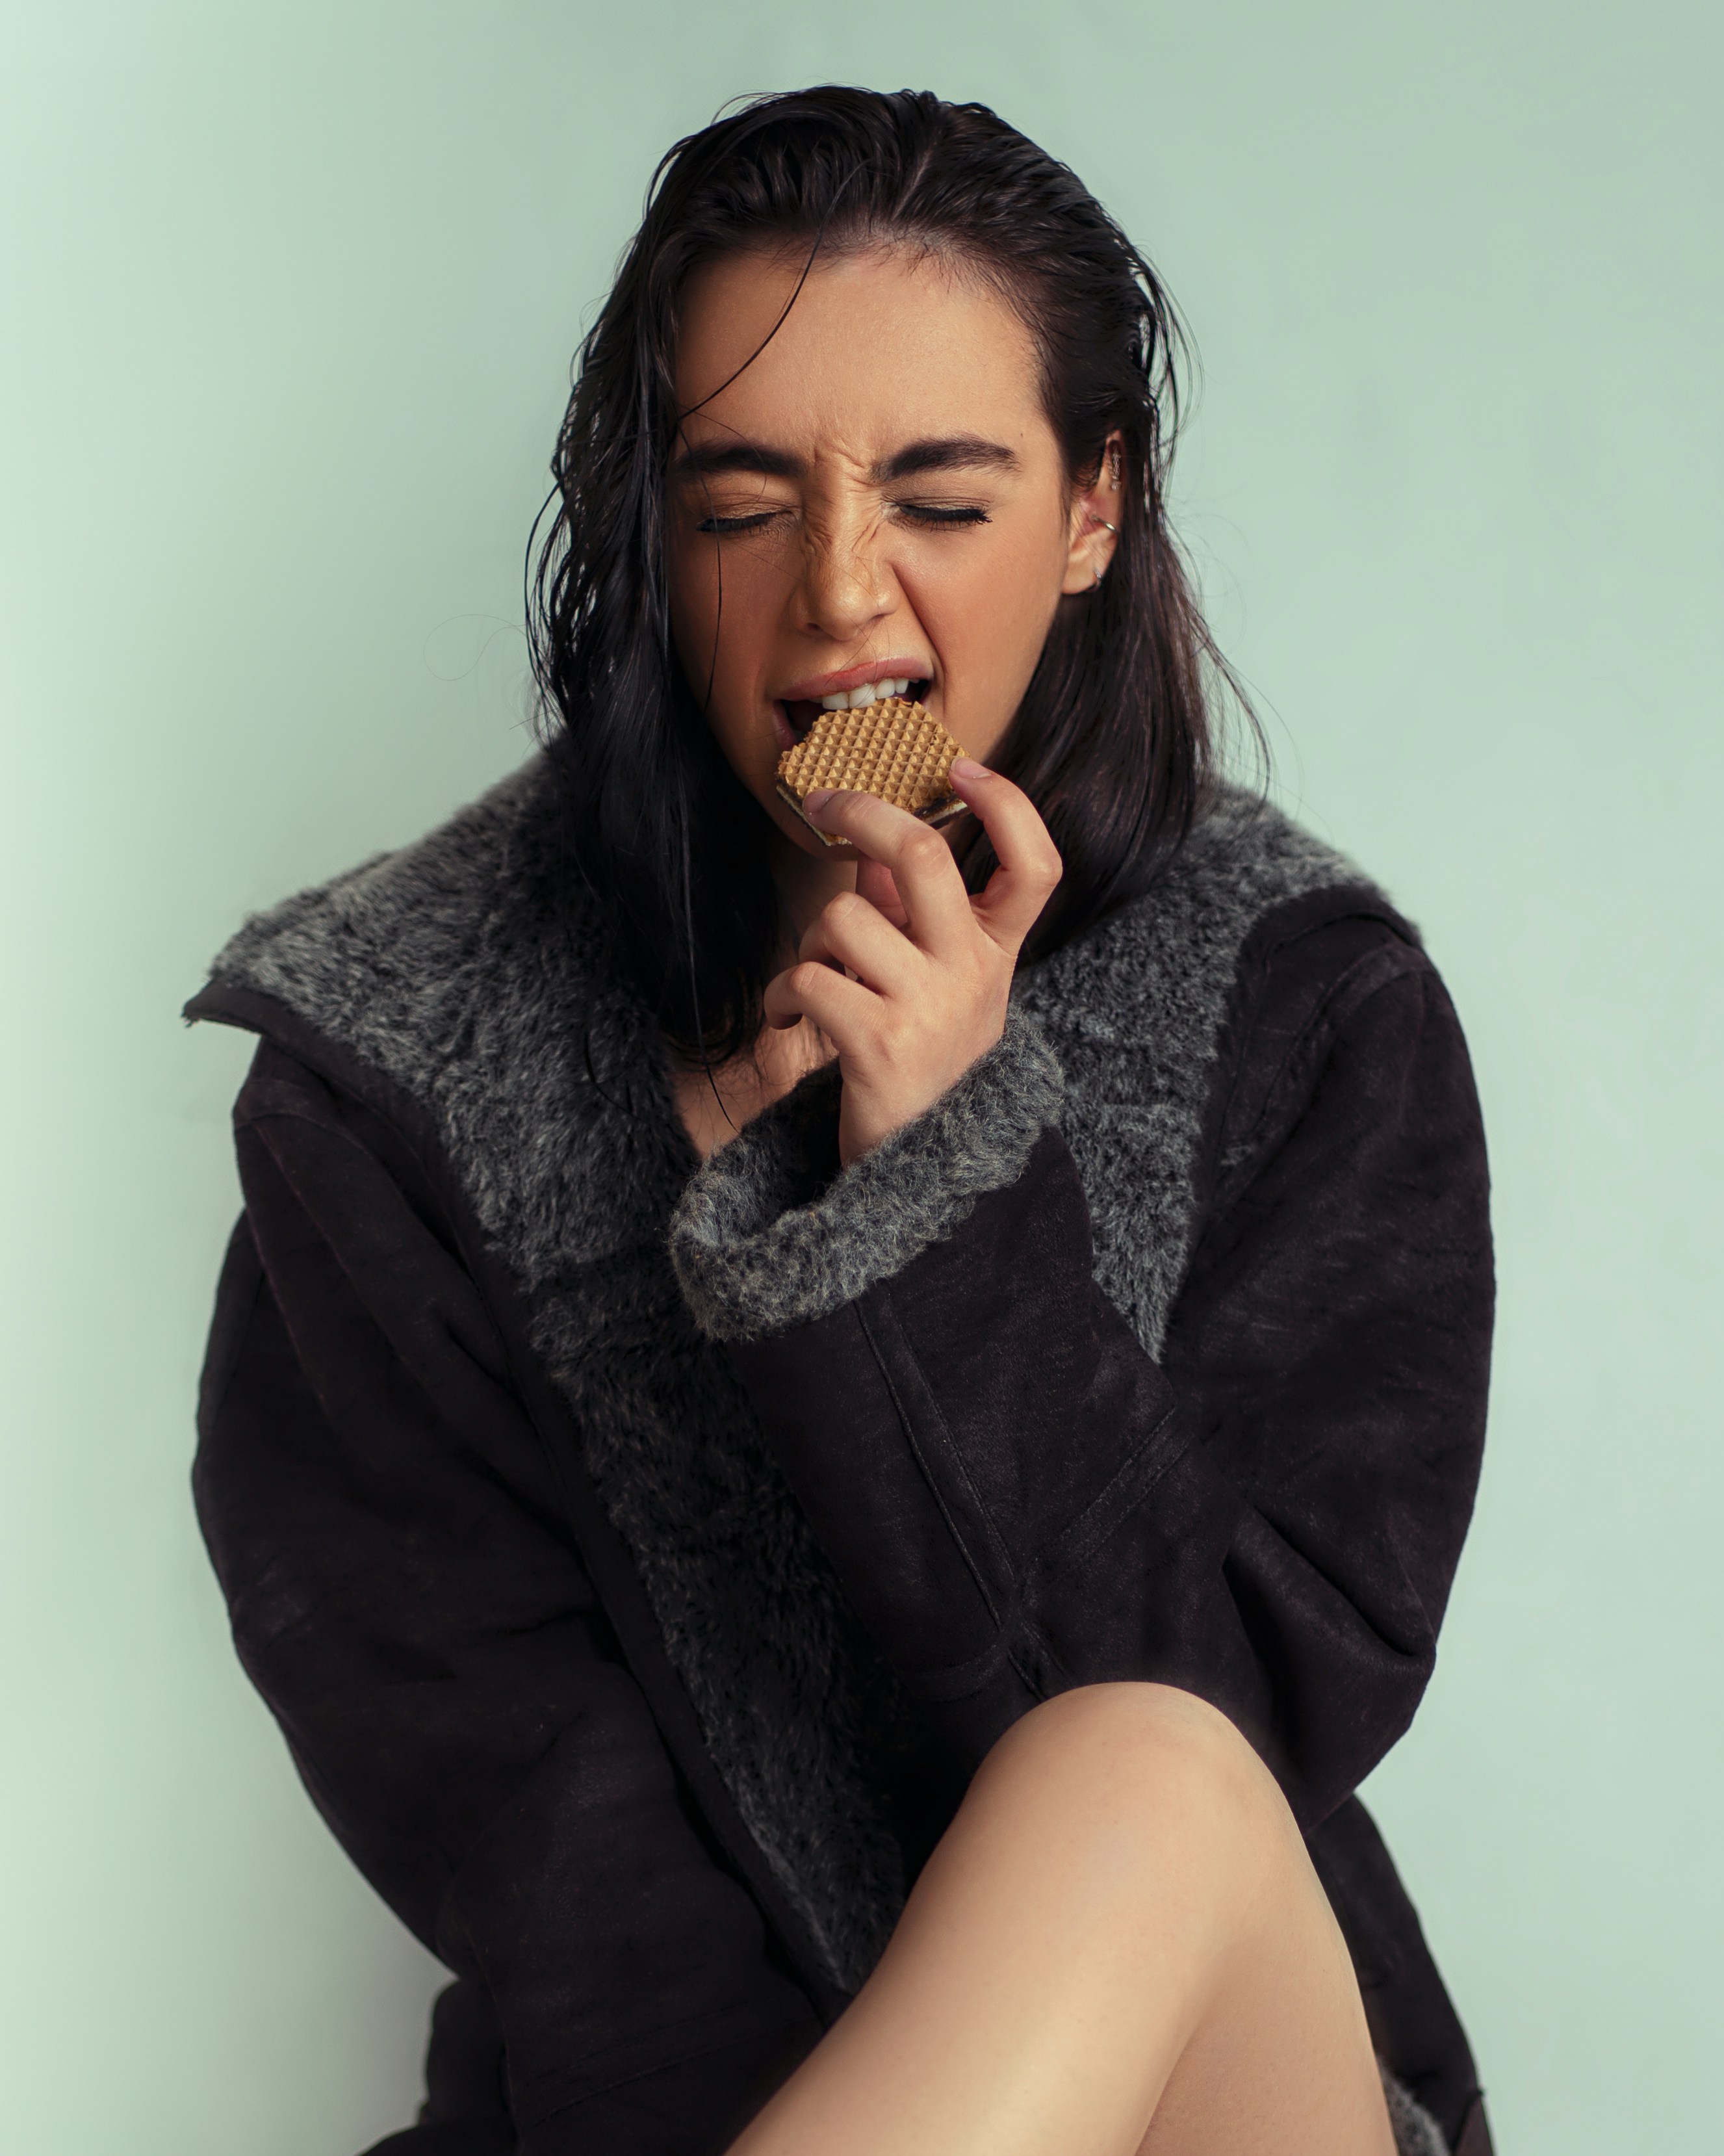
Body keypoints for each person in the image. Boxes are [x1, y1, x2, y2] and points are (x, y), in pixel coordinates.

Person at [188, 87, 1495, 2156]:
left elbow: (1258, 1726)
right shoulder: (392, 1066)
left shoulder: (1307, 1003)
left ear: (1091, 511)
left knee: (1144, 1768)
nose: (840, 602)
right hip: (665, 2121)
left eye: (945, 501)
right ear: (649, 532)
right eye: (740, 504)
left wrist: (949, 1183)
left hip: (1221, 2095)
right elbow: (518, 1817)